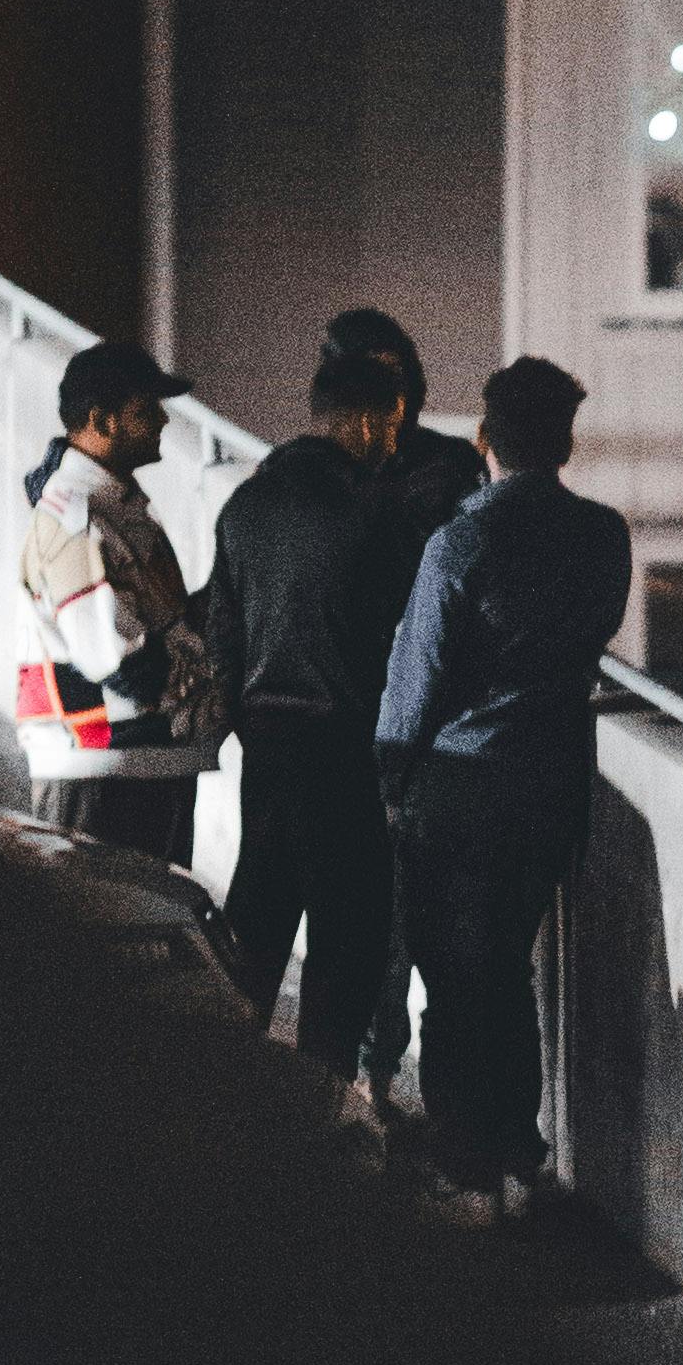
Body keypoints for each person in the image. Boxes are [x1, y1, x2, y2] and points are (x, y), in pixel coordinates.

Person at [374, 355, 631, 1218]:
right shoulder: (603, 536)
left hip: (461, 783)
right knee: (508, 970)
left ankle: (468, 1166)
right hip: (552, 780)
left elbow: (419, 676)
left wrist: (391, 772)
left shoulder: (461, 541)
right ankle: (519, 1152)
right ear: (564, 441)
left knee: (453, 977)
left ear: (484, 438)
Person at [203, 329, 421, 1115]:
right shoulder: (375, 514)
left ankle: (219, 1102)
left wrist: (241, 718)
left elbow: (221, 632)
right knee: (345, 944)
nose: (392, 447)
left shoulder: (246, 504)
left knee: (254, 932)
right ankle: (318, 1113)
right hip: (344, 751)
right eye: (392, 428)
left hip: (266, 748)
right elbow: (409, 640)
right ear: (367, 421)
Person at [316, 307, 482, 1099]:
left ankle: (380, 1078)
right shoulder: (314, 478)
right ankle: (359, 1078)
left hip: (423, 716)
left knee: (408, 919)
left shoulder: (442, 468)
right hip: (344, 718)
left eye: (401, 377)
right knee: (357, 916)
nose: (396, 398)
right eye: (375, 381)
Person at [16, 337, 220, 866]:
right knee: (99, 941)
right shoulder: (75, 517)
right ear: (102, 421)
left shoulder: (116, 510)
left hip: (136, 763)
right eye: (147, 408)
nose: (162, 420)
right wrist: (204, 667)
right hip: (103, 771)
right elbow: (121, 660)